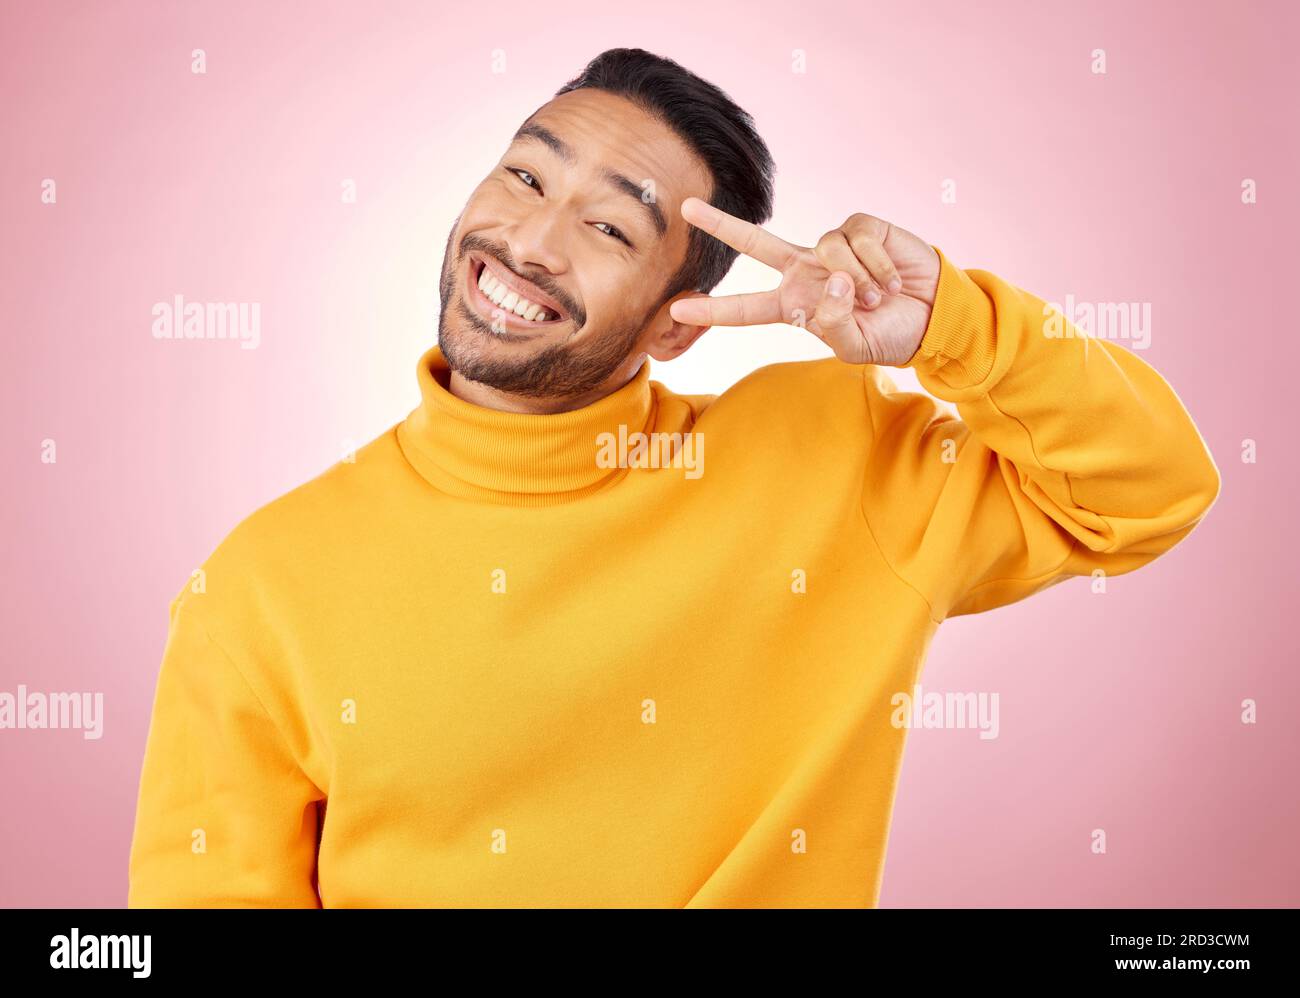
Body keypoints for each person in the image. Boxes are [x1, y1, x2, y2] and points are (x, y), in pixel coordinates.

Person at [127, 47, 1220, 907]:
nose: (532, 239)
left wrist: (959, 329)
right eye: (523, 173)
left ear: (674, 323)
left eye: (609, 225)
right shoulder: (261, 583)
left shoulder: (830, 458)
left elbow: (1148, 489)